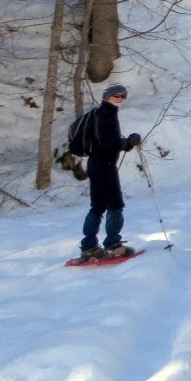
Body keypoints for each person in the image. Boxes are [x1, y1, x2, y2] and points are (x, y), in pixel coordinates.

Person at [79, 83, 143, 259]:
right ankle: (114, 246)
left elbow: (106, 141)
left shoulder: (102, 113)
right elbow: (108, 142)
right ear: (107, 96)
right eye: (117, 95)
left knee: (98, 206)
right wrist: (128, 142)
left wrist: (125, 143)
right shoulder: (105, 113)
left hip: (97, 164)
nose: (120, 99)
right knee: (115, 205)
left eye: (123, 96)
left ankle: (89, 247)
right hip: (104, 166)